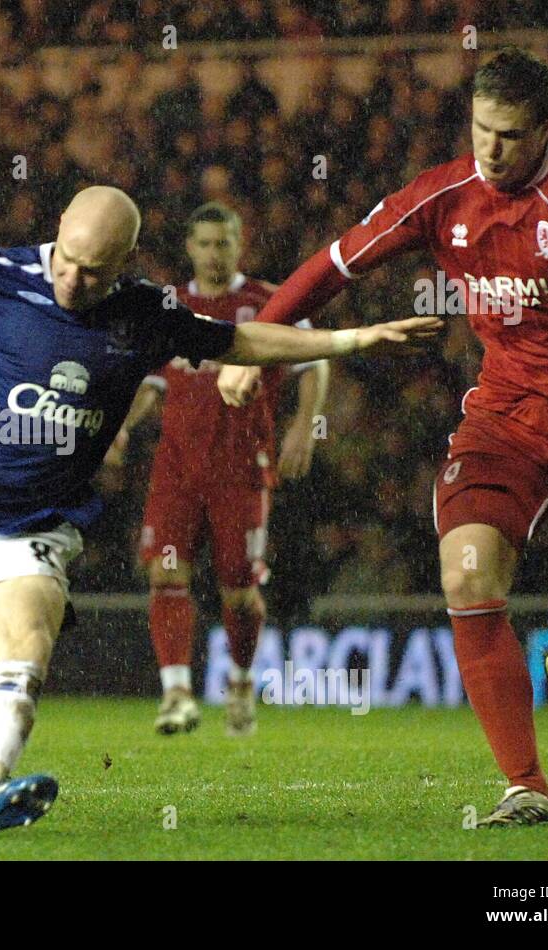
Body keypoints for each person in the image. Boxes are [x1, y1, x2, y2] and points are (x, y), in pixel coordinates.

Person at [0, 185, 440, 836]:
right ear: (57, 231)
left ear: (124, 262)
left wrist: (347, 340)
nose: (73, 280)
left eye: (95, 271)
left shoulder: (143, 312)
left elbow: (237, 339)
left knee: (27, 644)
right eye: (68, 260)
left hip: (28, 531)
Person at [219, 47, 548, 826]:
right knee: (466, 574)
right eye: (483, 130)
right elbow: (334, 266)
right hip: (503, 416)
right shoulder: (443, 196)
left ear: (547, 131)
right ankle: (526, 786)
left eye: (512, 136)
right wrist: (254, 345)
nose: (492, 149)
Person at [111, 201, 328, 736]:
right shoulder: (172, 306)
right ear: (189, 248)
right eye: (204, 244)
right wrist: (119, 426)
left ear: (239, 244)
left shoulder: (267, 302)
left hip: (241, 467)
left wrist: (304, 427)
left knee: (237, 588)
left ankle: (240, 678)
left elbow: (315, 359)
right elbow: (151, 383)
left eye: (223, 243)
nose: (214, 253)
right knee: (165, 573)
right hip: (177, 467)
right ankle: (178, 694)